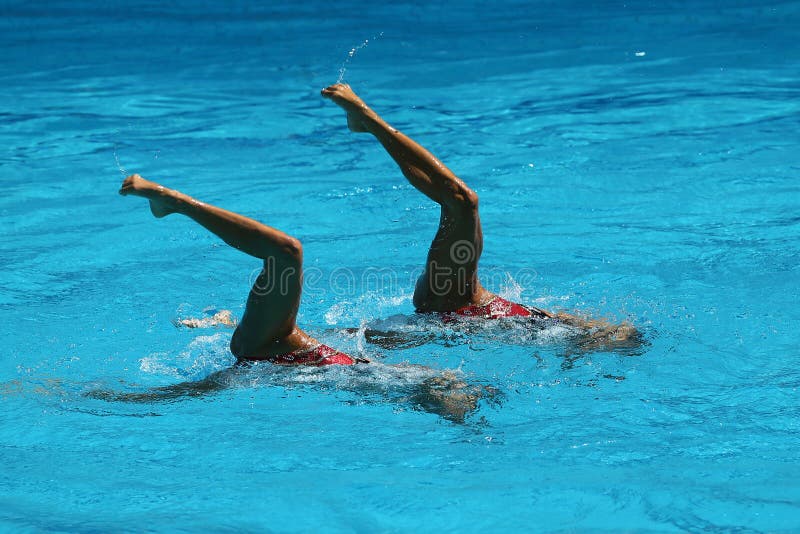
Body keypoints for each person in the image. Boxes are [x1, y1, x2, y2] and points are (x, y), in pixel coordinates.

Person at [115, 175, 488, 422]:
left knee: (286, 251)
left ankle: (174, 202)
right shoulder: (383, 377)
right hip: (280, 343)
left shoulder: (359, 377)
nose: (455, 388)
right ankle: (174, 203)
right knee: (286, 251)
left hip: (273, 346)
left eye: (453, 394)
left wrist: (119, 400)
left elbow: (206, 387)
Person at [321, 84, 640, 351]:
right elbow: (616, 332)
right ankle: (366, 121)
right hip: (461, 301)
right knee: (460, 200)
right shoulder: (560, 325)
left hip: (455, 301)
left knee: (462, 200)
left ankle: (368, 120)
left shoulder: (554, 330)